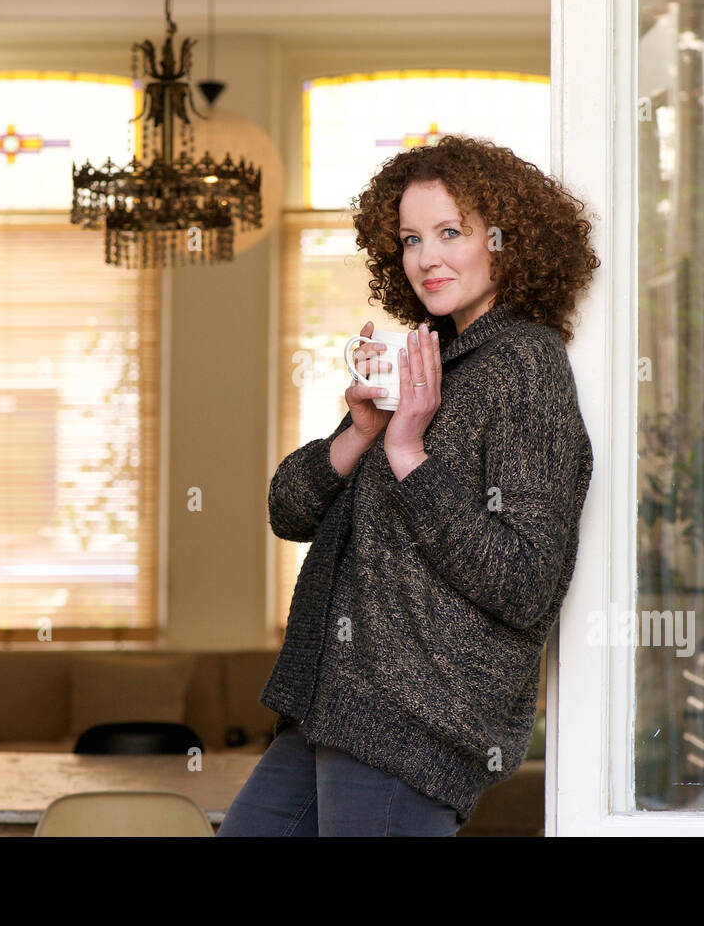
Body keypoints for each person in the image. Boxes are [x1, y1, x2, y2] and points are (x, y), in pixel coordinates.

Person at [216, 134, 598, 837]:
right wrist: (362, 432)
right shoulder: (436, 366)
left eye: (452, 232)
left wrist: (410, 452)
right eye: (411, 238)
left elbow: (526, 582)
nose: (427, 257)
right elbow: (287, 510)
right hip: (327, 707)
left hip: (412, 723)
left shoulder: (525, 369)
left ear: (507, 241)